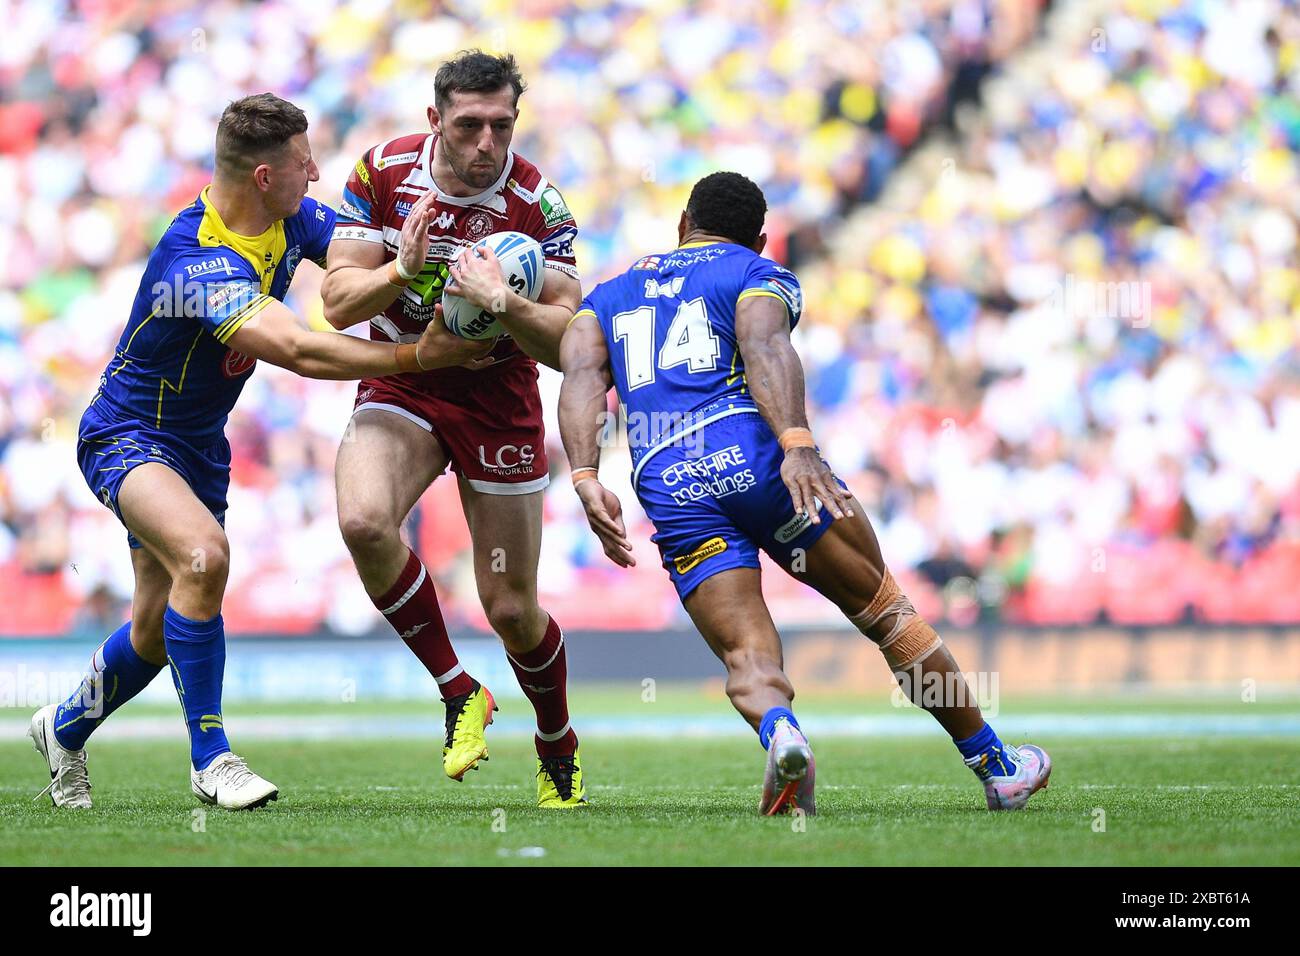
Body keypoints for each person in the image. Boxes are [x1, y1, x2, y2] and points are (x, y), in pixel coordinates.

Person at [31, 93, 488, 811]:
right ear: (267, 178)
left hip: (198, 448)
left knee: (154, 631)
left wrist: (413, 267)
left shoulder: (292, 216)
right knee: (204, 557)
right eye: (306, 164)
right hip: (128, 435)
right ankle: (212, 757)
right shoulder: (197, 262)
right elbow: (300, 349)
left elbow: (351, 258)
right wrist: (417, 356)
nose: (317, 173)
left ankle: (62, 731)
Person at [558, 171, 1051, 815]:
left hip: (667, 476)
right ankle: (995, 764)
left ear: (683, 224)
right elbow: (765, 344)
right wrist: (796, 442)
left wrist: (585, 475)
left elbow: (580, 370)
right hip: (755, 456)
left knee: (745, 652)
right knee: (883, 610)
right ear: (761, 240)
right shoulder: (755, 273)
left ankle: (782, 732)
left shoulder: (609, 295)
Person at [320, 51, 587, 807]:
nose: (486, 144)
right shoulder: (383, 171)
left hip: (497, 392)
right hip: (403, 372)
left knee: (508, 607)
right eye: (469, 125)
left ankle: (556, 740)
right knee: (365, 519)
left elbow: (569, 342)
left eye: (501, 125)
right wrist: (398, 273)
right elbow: (338, 303)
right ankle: (457, 688)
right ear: (435, 120)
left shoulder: (540, 203)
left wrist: (503, 302)